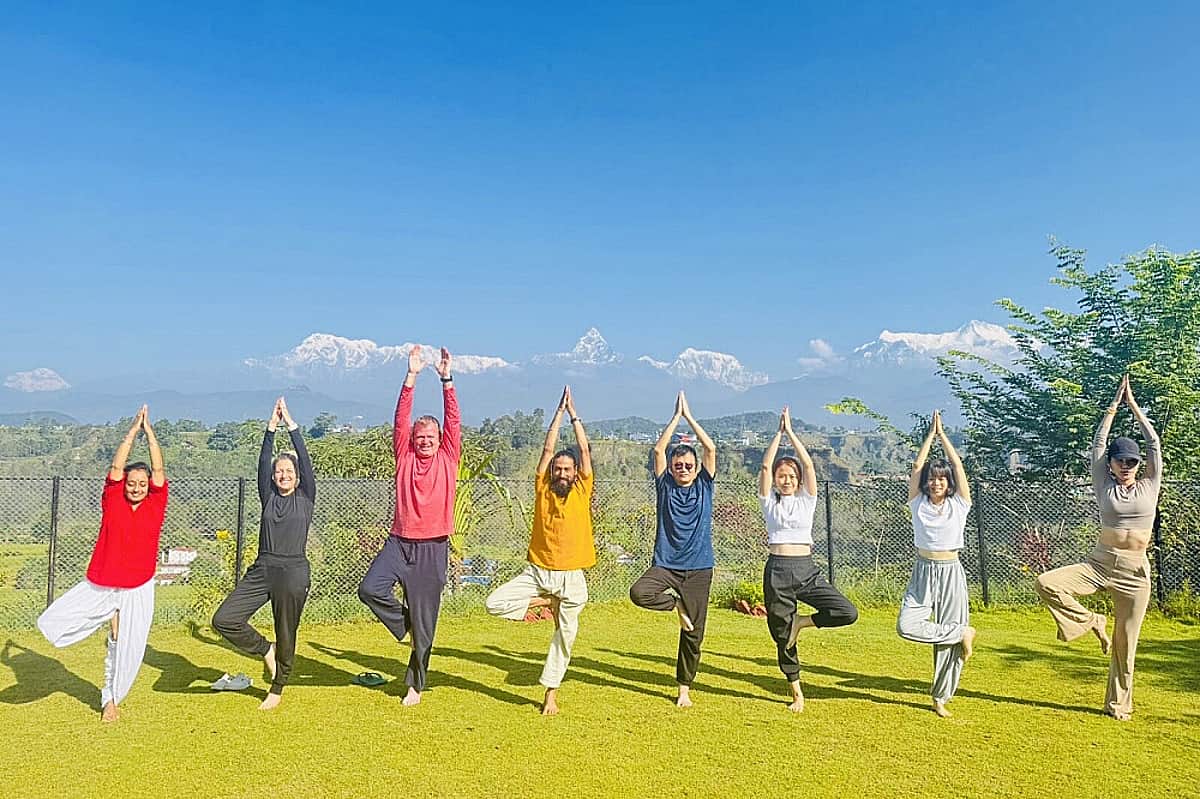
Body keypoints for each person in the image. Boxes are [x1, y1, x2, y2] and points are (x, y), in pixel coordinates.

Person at [1034, 375, 1159, 721]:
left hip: (1135, 571)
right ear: (1112, 464)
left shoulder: (1151, 483)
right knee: (1047, 583)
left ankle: (1118, 705)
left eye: (1131, 462)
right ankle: (1090, 621)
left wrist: (1134, 407)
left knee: (1125, 644)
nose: (1126, 466)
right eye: (1120, 461)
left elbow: (1154, 443)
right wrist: (1113, 408)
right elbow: (1098, 443)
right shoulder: (1103, 484)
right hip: (1100, 563)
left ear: (1139, 464)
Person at [37, 405, 167, 722]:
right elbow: (116, 465)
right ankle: (106, 623)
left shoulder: (156, 503)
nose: (135, 487)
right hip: (103, 582)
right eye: (131, 483)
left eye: (141, 483)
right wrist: (131, 433)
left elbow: (159, 470)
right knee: (52, 622)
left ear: (148, 485)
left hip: (138, 585)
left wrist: (150, 435)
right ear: (122, 484)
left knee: (127, 644)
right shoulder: (113, 500)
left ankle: (111, 700)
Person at [358, 345, 460, 706]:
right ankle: (404, 627)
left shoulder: (449, 455)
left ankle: (415, 686)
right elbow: (400, 419)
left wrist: (446, 379)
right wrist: (412, 376)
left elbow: (454, 420)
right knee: (370, 588)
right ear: (412, 440)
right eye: (420, 437)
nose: (425, 441)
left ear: (440, 439)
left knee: (427, 625)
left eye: (431, 436)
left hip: (433, 547)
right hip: (399, 542)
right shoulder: (404, 454)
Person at [485, 386, 595, 715]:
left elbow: (584, 449)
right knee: (494, 603)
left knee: (565, 636)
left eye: (567, 469)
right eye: (557, 468)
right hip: (538, 572)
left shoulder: (581, 490)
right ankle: (546, 602)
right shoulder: (542, 487)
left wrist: (573, 415)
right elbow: (547, 449)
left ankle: (550, 694)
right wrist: (557, 414)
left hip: (571, 576)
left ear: (575, 473)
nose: (561, 472)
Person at [212, 397, 315, 710]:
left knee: (287, 631)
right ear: (273, 477)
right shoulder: (268, 497)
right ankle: (264, 649)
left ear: (297, 477)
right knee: (224, 619)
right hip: (263, 570)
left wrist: (292, 425)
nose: (283, 474)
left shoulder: (306, 496)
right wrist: (271, 428)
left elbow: (305, 461)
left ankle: (278, 686)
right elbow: (263, 462)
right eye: (279, 471)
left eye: (288, 471)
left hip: (294, 572)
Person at [759, 407, 857, 712]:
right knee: (782, 635)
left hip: (805, 569)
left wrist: (792, 434)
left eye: (791, 476)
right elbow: (763, 467)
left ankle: (804, 622)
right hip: (777, 571)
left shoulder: (807, 499)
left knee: (846, 611)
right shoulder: (768, 502)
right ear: (775, 480)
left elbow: (810, 466)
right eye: (781, 476)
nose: (786, 480)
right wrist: (777, 435)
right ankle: (797, 692)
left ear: (798, 480)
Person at [629, 391, 717, 708]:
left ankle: (684, 687)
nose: (682, 468)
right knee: (639, 592)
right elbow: (658, 449)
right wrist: (674, 418)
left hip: (699, 569)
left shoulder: (705, 485)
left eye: (687, 464)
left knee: (694, 633)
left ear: (695, 468)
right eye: (678, 464)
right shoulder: (664, 485)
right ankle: (675, 606)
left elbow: (710, 448)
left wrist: (690, 417)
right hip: (666, 565)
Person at [896, 409, 977, 718]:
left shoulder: (960, 504)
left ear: (949, 483)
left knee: (946, 648)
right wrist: (930, 435)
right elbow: (918, 465)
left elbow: (957, 466)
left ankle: (940, 697)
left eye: (941, 479)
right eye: (932, 479)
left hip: (951, 571)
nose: (935, 483)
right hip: (923, 571)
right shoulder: (917, 503)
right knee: (906, 625)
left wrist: (945, 437)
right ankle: (960, 632)